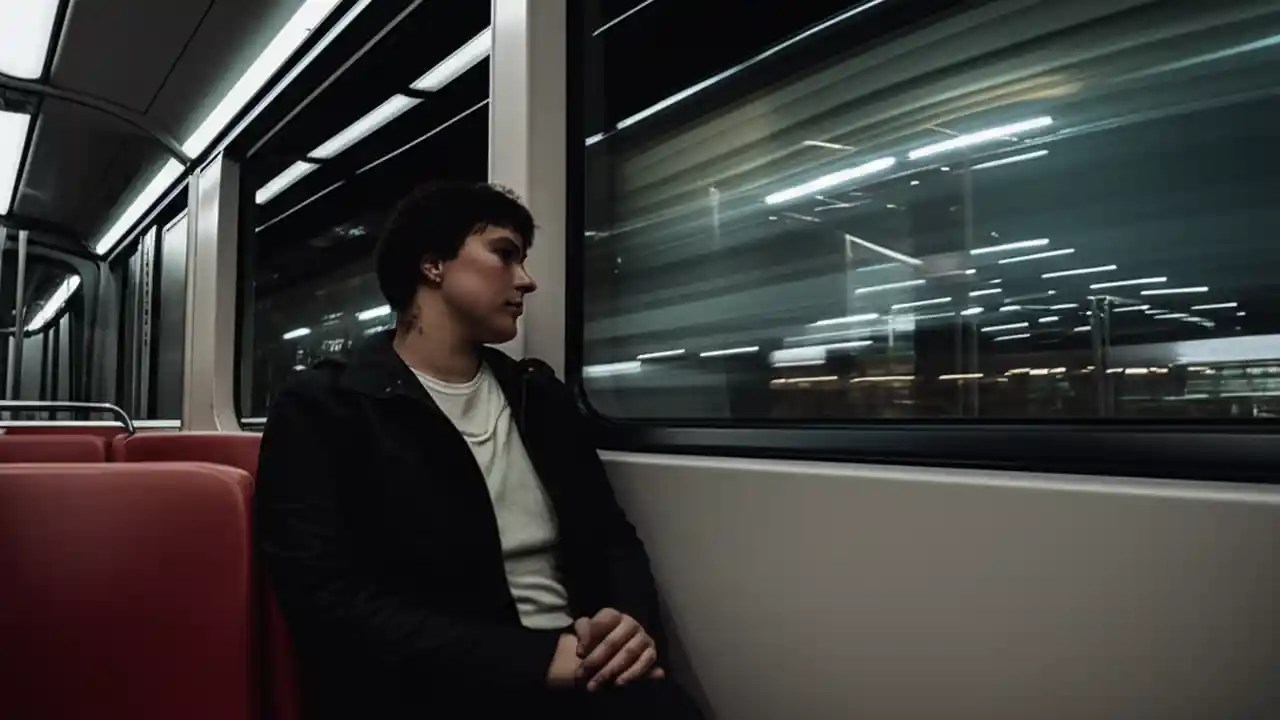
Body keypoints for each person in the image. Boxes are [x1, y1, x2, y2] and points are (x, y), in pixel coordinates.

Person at [256, 181, 703, 718]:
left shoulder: (537, 396)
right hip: (434, 685)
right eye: (504, 255)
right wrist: (536, 659)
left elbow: (611, 538)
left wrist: (625, 624)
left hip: (579, 667)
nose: (527, 281)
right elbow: (327, 599)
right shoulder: (327, 408)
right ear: (432, 265)